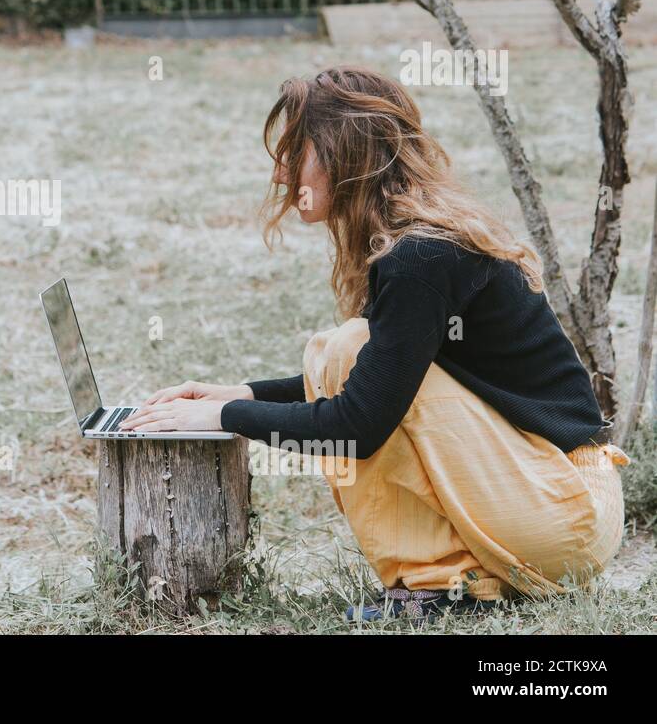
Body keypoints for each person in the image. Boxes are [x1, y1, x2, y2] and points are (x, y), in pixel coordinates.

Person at [122, 66, 628, 623]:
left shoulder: (422, 256)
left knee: (342, 349)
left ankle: (438, 587)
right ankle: (458, 580)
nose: (280, 173)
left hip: (564, 517)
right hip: (555, 509)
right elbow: (383, 375)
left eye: (293, 152)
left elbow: (359, 425)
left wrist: (226, 417)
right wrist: (239, 393)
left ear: (343, 154)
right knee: (342, 353)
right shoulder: (418, 244)